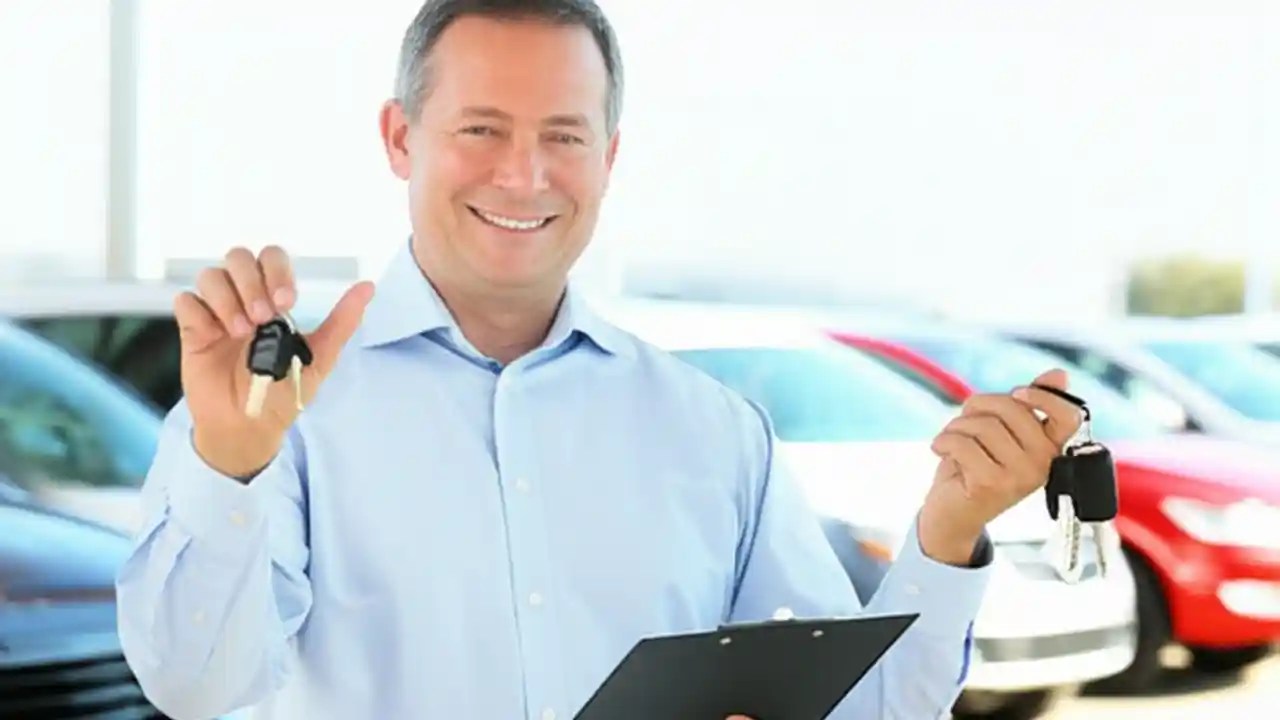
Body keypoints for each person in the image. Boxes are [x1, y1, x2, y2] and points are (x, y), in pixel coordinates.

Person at [115, 1, 1084, 718]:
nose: (523, 174)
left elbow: (857, 714)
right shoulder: (267, 418)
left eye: (562, 136)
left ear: (609, 157)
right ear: (400, 137)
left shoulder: (711, 431)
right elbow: (196, 688)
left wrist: (947, 534)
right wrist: (229, 466)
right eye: (481, 129)